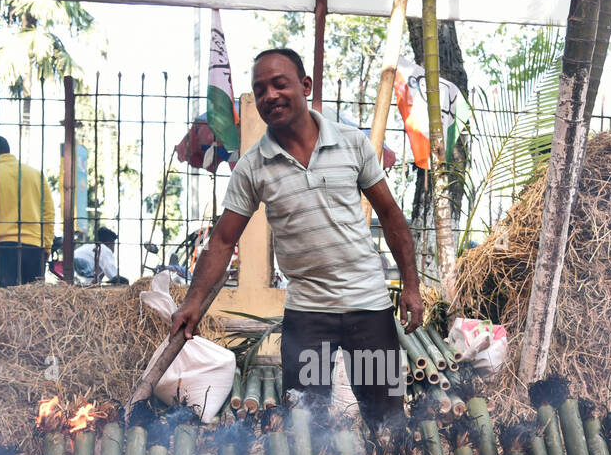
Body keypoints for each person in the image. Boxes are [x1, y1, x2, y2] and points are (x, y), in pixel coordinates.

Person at [169, 48, 422, 430]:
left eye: (279, 84)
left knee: (387, 422)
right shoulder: (253, 166)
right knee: (305, 426)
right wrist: (192, 302)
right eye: (260, 89)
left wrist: (412, 287)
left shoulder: (354, 145)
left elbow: (391, 216)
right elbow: (222, 241)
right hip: (308, 315)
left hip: (369, 307)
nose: (270, 95)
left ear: (304, 86)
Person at [0, 135, 55, 287]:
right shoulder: (36, 175)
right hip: (34, 248)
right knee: (31, 305)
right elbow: (49, 214)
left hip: (2, 248)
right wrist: (46, 247)